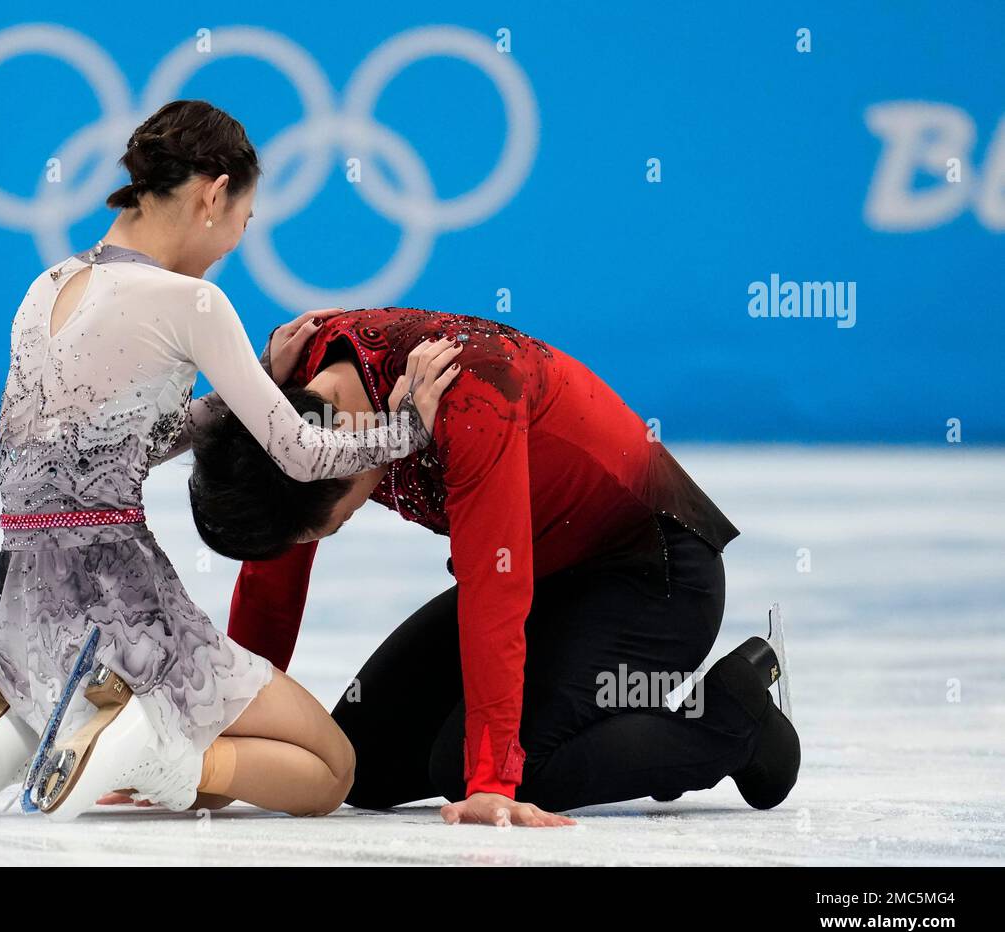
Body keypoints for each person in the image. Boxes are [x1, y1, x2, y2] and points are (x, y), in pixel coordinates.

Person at [0, 101, 461, 822]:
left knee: (228, 765)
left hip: (24, 606)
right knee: (329, 769)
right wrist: (409, 429)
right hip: (119, 599)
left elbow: (116, 454)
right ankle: (146, 745)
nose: (229, 249)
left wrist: (246, 393)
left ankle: (14, 731)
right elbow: (303, 454)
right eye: (241, 225)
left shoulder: (45, 288)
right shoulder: (193, 302)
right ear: (214, 194)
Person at [188, 307, 801, 827]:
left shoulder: (469, 395)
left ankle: (733, 723)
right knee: (357, 766)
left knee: (487, 769)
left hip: (653, 576)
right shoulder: (291, 393)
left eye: (330, 524)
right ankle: (622, 730)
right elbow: (271, 584)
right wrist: (225, 728)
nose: (318, 539)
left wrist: (490, 781)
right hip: (547, 575)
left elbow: (495, 586)